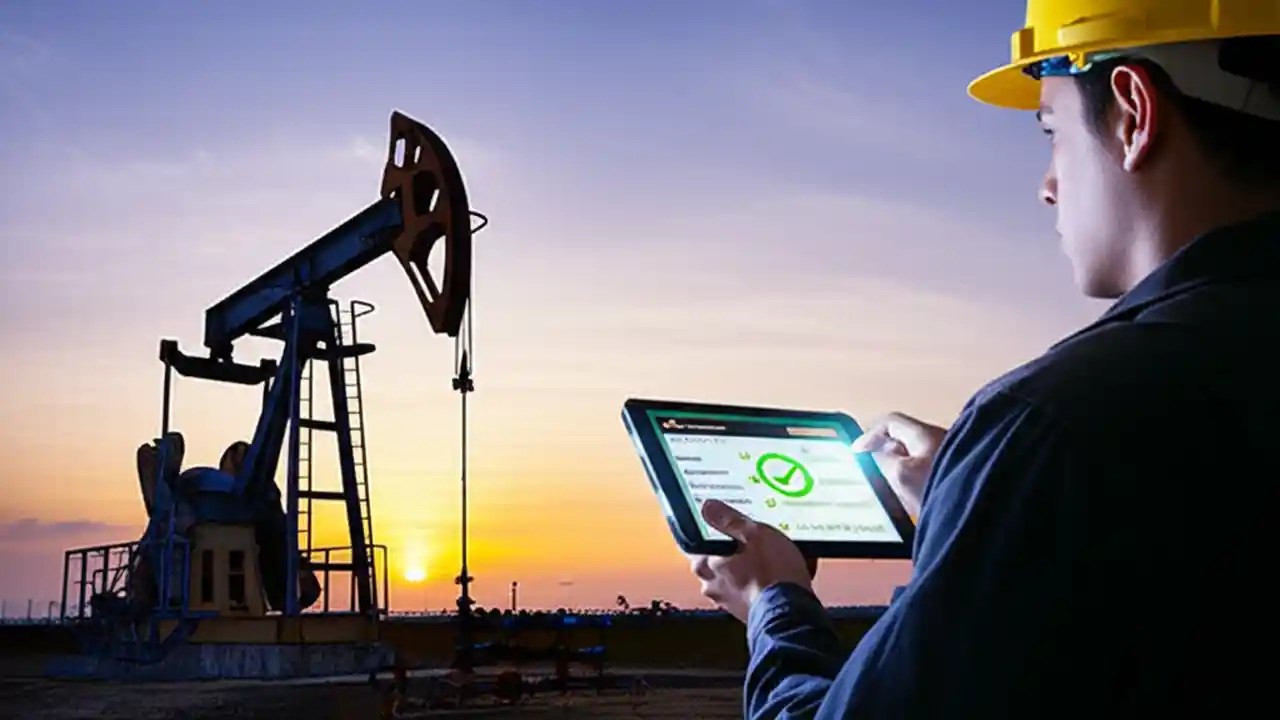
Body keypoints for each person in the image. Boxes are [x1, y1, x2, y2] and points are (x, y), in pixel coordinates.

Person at [687, 1, 1280, 717]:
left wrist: (774, 603)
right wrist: (973, 497)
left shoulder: (1054, 424)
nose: (1047, 186)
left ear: (1132, 114)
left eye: (1052, 131)